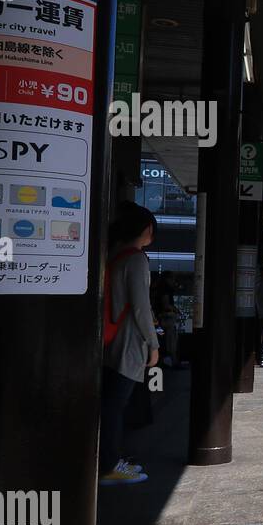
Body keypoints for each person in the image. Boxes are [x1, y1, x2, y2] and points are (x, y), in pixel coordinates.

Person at [100, 201, 159, 486]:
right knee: (115, 406)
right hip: (127, 343)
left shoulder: (114, 255)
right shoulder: (136, 259)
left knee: (110, 403)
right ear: (147, 229)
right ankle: (109, 465)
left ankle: (109, 460)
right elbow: (140, 308)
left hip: (109, 339)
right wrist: (154, 343)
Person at [151, 271, 181, 367]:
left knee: (161, 338)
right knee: (170, 340)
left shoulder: (156, 289)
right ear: (168, 278)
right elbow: (166, 305)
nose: (174, 282)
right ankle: (173, 361)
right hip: (165, 320)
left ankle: (160, 361)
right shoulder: (165, 289)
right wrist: (175, 310)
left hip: (157, 322)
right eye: (173, 279)